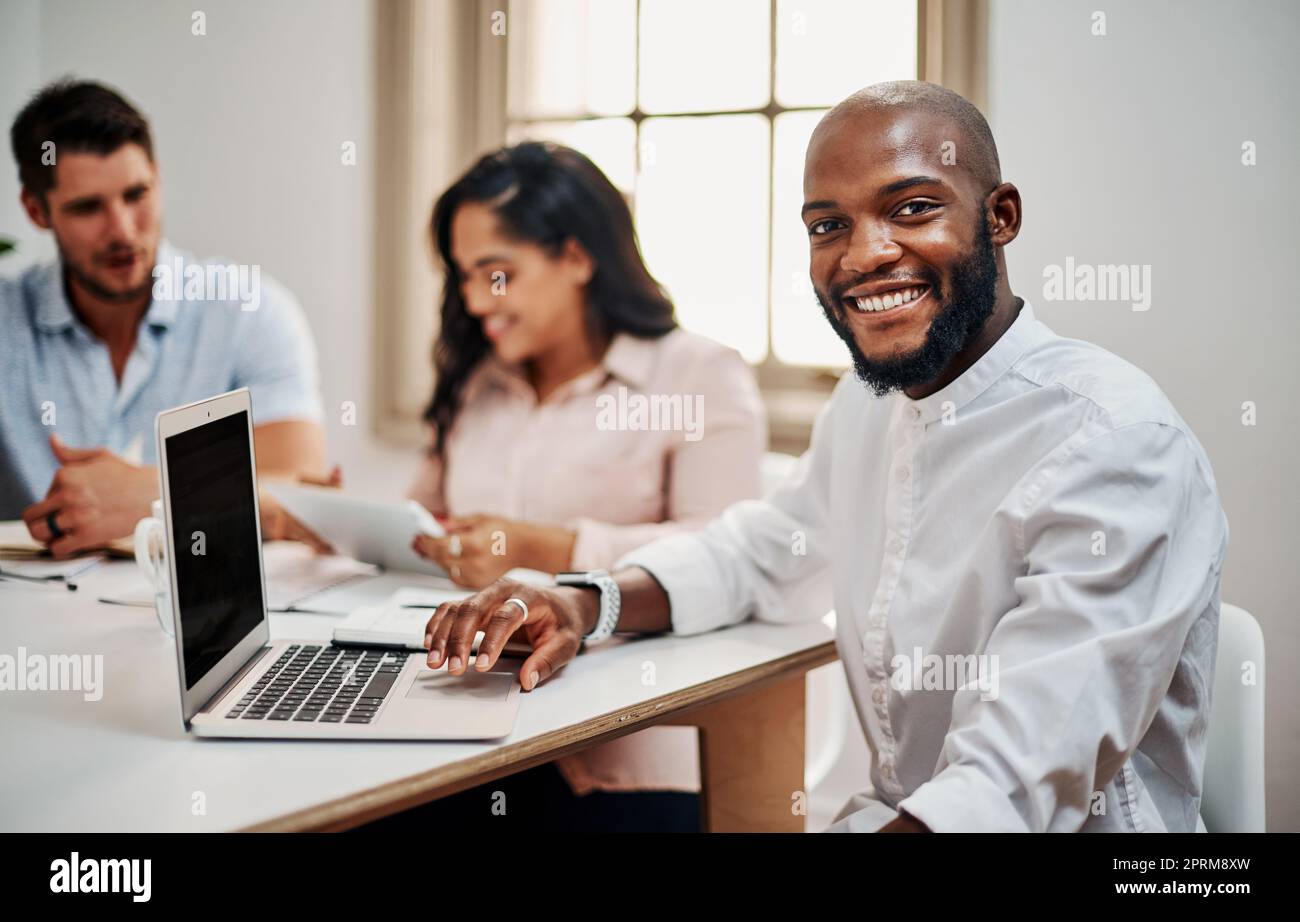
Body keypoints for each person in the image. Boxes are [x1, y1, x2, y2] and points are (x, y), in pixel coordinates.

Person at [423, 82, 1230, 833]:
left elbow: (1003, 791)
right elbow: (759, 552)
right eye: (827, 225)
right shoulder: (869, 404)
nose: (864, 255)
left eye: (911, 208)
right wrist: (581, 601)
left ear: (1001, 216)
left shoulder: (1115, 440)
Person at [402, 142, 765, 830]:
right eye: (463, 277)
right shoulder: (477, 383)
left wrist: (560, 547)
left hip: (624, 751)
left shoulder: (698, 375)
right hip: (465, 724)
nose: (477, 300)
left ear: (576, 256)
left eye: (497, 273)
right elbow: (423, 515)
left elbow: (731, 554)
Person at [1, 79, 328, 555]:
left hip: (208, 613)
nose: (122, 230)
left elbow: (304, 496)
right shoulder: (9, 319)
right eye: (88, 207)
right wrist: (217, 493)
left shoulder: (248, 310)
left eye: (136, 195)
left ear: (158, 178)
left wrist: (145, 495)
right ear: (36, 210)